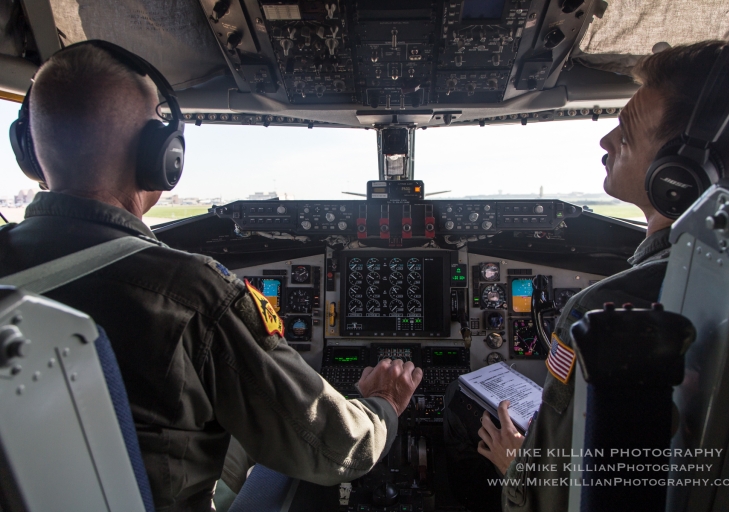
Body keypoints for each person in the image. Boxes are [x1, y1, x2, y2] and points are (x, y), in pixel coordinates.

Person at [0, 43, 423, 512]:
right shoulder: (193, 294)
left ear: (32, 152)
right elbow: (335, 450)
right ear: (161, 158)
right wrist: (382, 404)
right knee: (286, 447)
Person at [443, 40, 729, 512]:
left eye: (626, 130)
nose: (605, 141)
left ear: (681, 170)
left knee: (462, 403)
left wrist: (518, 465)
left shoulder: (604, 308)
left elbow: (546, 497)